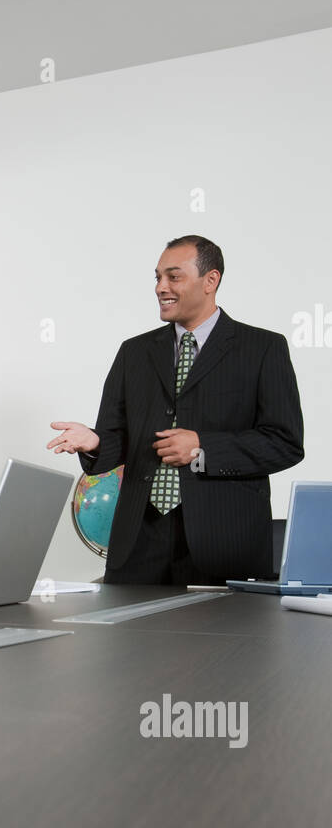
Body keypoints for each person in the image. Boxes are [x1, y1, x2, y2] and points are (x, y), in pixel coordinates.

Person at [48, 235, 304, 585]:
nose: (161, 287)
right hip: (139, 542)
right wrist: (95, 442)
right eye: (157, 277)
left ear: (210, 280)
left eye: (173, 277)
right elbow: (120, 440)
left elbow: (285, 443)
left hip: (224, 543)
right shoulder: (134, 353)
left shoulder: (263, 348)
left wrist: (202, 449)